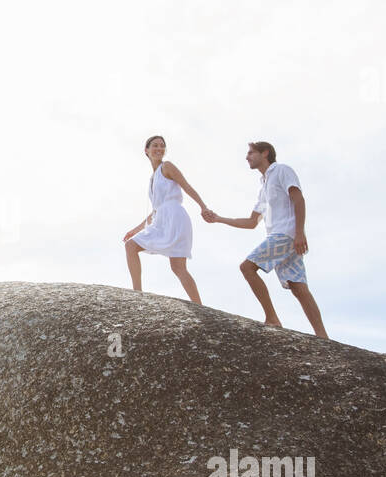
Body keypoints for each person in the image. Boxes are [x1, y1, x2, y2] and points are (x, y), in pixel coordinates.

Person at [203, 141, 328, 337]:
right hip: (283, 236)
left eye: (251, 153)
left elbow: (298, 199)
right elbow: (252, 222)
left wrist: (300, 232)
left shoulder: (281, 170)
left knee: (247, 267)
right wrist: (218, 219)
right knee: (297, 286)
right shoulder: (263, 186)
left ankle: (272, 319)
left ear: (265, 153)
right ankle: (323, 336)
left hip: (285, 234)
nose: (247, 157)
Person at [123, 135, 212, 303]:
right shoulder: (153, 177)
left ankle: (200, 306)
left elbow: (186, 186)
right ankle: (137, 293)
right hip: (161, 220)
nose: (159, 148)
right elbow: (155, 210)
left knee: (178, 267)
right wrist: (136, 230)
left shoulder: (167, 167)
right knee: (131, 246)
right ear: (146, 151)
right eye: (155, 145)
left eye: (162, 146)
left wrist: (203, 206)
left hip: (175, 218)